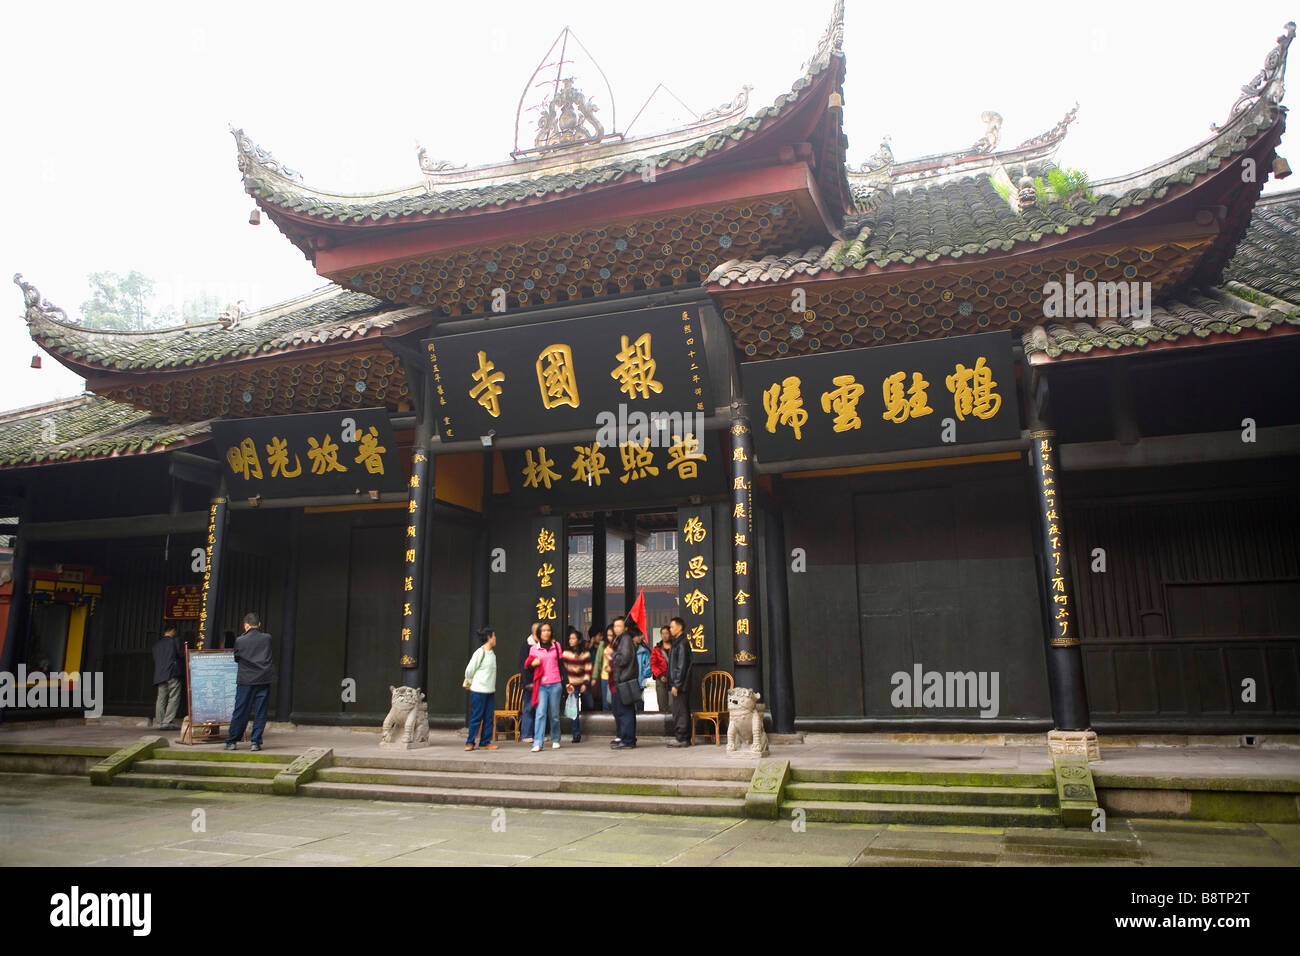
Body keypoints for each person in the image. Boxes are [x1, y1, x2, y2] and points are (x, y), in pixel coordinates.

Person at [225, 613, 275, 752]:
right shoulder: (267, 638)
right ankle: (255, 742)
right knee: (261, 711)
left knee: (241, 710)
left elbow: (236, 658)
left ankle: (232, 741)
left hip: (246, 680)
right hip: (263, 679)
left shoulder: (240, 640)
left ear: (246, 625)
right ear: (259, 624)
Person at [526, 622, 564, 752]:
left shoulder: (556, 646)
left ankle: (555, 739)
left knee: (554, 714)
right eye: (543, 631)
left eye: (548, 630)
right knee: (540, 713)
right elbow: (528, 668)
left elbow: (561, 665)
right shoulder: (534, 649)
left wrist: (567, 682)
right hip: (541, 685)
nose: (546, 633)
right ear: (539, 633)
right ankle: (538, 742)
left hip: (555, 683)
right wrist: (533, 664)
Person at [463, 627, 499, 751]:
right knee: (477, 717)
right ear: (489, 637)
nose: (495, 639)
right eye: (493, 636)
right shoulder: (480, 652)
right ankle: (470, 742)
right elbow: (469, 670)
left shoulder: (492, 653)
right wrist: (470, 682)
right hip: (478, 691)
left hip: (490, 691)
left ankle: (485, 742)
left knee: (489, 718)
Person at [609, 615, 638, 749]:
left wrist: (612, 654)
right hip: (622, 680)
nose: (616, 628)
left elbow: (624, 658)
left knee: (625, 712)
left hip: (624, 680)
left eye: (619, 626)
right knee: (623, 710)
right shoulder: (620, 639)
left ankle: (627, 740)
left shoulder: (625, 639)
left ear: (625, 628)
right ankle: (626, 738)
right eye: (615, 626)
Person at [561, 626, 593, 744]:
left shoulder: (585, 653)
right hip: (572, 684)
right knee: (574, 710)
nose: (571, 640)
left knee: (589, 704)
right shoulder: (566, 653)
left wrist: (585, 683)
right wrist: (568, 684)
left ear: (579, 640)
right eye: (570, 639)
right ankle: (576, 734)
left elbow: (588, 669)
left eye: (573, 638)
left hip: (583, 682)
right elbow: (564, 670)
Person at [151, 625, 185, 730]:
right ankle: (167, 722)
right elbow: (182, 655)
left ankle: (159, 722)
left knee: (161, 698)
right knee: (173, 697)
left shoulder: (156, 645)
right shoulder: (175, 641)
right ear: (172, 630)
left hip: (160, 674)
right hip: (172, 673)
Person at [666, 616, 693, 747]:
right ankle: (682, 737)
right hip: (679, 684)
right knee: (679, 710)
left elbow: (681, 666)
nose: (670, 629)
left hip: (680, 685)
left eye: (672, 626)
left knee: (680, 711)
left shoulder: (682, 644)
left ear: (679, 627)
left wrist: (676, 684)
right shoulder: (678, 642)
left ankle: (682, 738)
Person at [519, 622, 540, 743]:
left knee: (538, 709)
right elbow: (523, 666)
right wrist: (527, 682)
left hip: (539, 682)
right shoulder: (526, 646)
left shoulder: (540, 646)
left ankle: (537, 734)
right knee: (528, 708)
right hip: (530, 683)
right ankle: (526, 734)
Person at [650, 629, 671, 714]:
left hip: (673, 679)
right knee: (662, 703)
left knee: (673, 704)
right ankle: (664, 725)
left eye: (667, 633)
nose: (665, 635)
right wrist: (660, 675)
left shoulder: (675, 647)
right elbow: (653, 664)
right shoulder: (656, 649)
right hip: (661, 679)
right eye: (663, 633)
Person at [634, 626, 652, 712]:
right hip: (629, 681)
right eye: (639, 635)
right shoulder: (628, 649)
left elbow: (649, 666)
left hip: (639, 681)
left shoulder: (644, 651)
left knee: (639, 703)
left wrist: (642, 675)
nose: (641, 637)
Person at [587, 625, 604, 709]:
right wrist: (590, 646)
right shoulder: (587, 647)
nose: (601, 637)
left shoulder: (603, 647)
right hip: (590, 676)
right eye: (599, 635)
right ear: (593, 637)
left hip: (600, 675)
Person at [600, 624, 615, 712]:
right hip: (604, 676)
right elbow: (599, 661)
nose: (609, 637)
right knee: (605, 703)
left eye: (611, 635)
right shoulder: (603, 645)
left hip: (614, 677)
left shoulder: (618, 645)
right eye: (608, 635)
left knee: (614, 703)